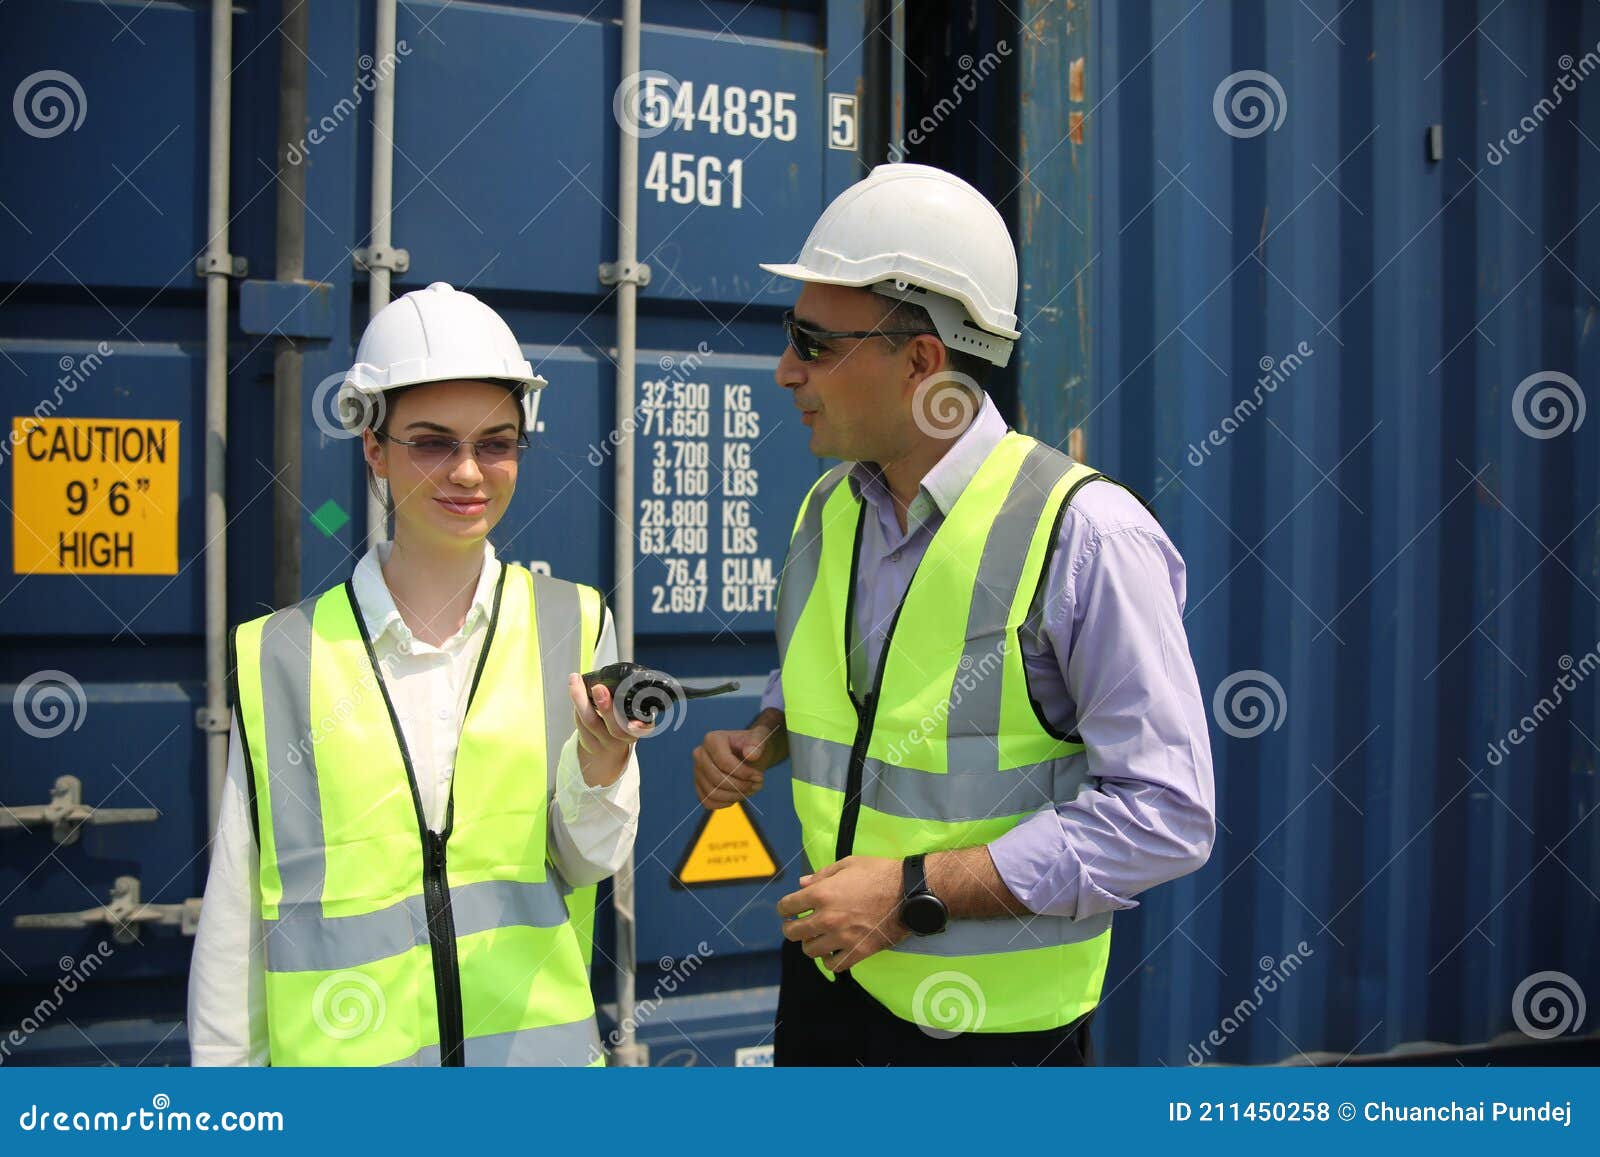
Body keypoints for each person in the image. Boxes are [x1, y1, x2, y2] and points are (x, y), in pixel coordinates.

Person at [691, 164, 1216, 1066]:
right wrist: (768, 734)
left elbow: (1165, 814)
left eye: (812, 341)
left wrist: (909, 892)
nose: (785, 370)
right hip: (826, 985)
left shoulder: (1087, 536)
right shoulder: (830, 510)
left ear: (923, 361)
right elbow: (860, 681)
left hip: (988, 1038)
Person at [189, 282, 646, 1066]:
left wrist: (601, 775)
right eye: (433, 442)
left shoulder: (573, 620)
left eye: (496, 442)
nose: (469, 472)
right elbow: (236, 931)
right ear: (374, 446)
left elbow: (584, 863)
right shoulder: (283, 655)